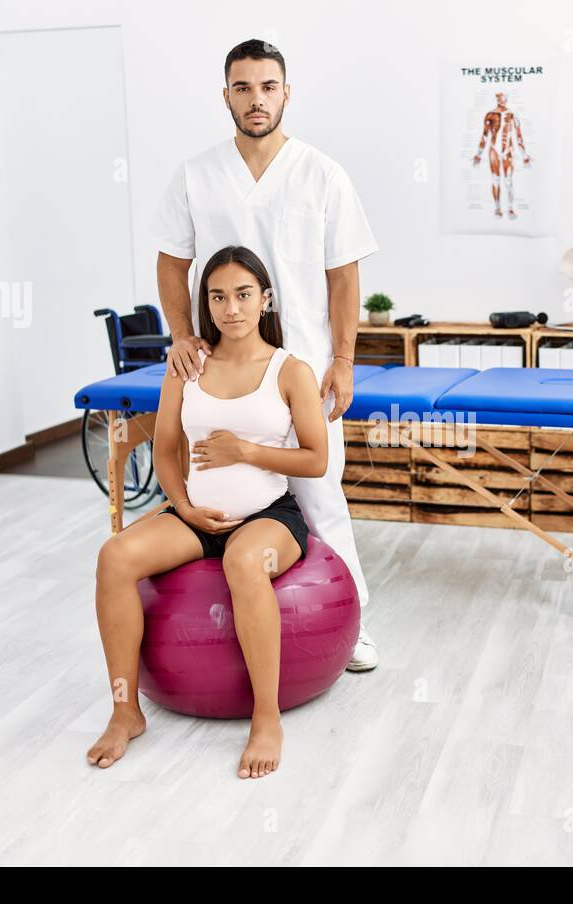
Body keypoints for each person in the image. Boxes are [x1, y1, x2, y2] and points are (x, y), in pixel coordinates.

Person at [149, 38, 380, 671]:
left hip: (298, 366)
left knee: (322, 496)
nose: (257, 100)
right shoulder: (196, 175)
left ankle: (352, 622)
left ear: (286, 92)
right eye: (243, 88)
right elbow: (172, 261)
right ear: (226, 95)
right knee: (220, 486)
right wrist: (181, 335)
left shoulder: (322, 174)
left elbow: (342, 276)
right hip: (222, 369)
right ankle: (225, 632)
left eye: (268, 87)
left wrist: (343, 359)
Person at [88, 246, 326, 779]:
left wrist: (246, 452)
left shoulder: (290, 371)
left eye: (243, 295)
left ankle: (266, 718)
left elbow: (316, 458)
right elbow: (167, 448)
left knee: (244, 561)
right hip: (196, 518)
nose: (231, 308)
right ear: (206, 304)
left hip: (268, 516)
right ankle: (126, 712)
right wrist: (184, 507)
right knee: (115, 557)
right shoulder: (186, 367)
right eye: (218, 297)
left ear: (265, 299)